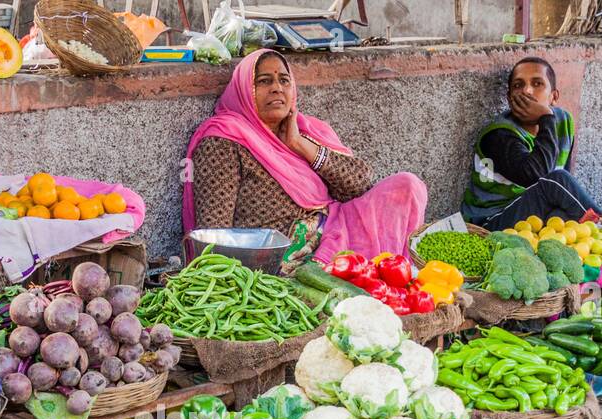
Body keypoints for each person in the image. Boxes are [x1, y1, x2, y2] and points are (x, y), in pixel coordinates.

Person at [183, 49, 427, 264]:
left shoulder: (303, 130)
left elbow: (360, 186)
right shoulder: (224, 140)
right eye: (264, 81)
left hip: (335, 234)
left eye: (284, 80)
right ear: (245, 90)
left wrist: (299, 144)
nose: (277, 88)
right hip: (282, 261)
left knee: (406, 186)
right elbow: (214, 232)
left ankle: (383, 273)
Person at [461, 57, 600, 230]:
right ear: (510, 98)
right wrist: (546, 119)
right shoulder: (499, 135)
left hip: (533, 213)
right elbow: (538, 177)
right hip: (491, 222)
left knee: (567, 217)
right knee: (558, 181)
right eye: (518, 85)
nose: (527, 91)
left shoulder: (563, 121)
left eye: (537, 84)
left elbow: (563, 184)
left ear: (554, 97)